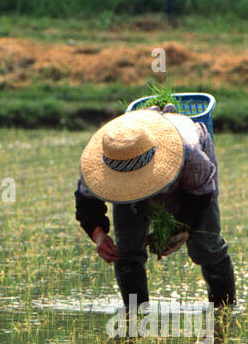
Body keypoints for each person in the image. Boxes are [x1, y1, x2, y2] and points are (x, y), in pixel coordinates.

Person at [74, 104, 236, 310]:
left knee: (206, 244)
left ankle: (225, 310)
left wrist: (185, 228)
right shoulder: (100, 162)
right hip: (132, 189)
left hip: (191, 187)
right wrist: (99, 237)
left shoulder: (189, 153)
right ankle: (136, 315)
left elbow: (201, 196)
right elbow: (86, 202)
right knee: (127, 252)